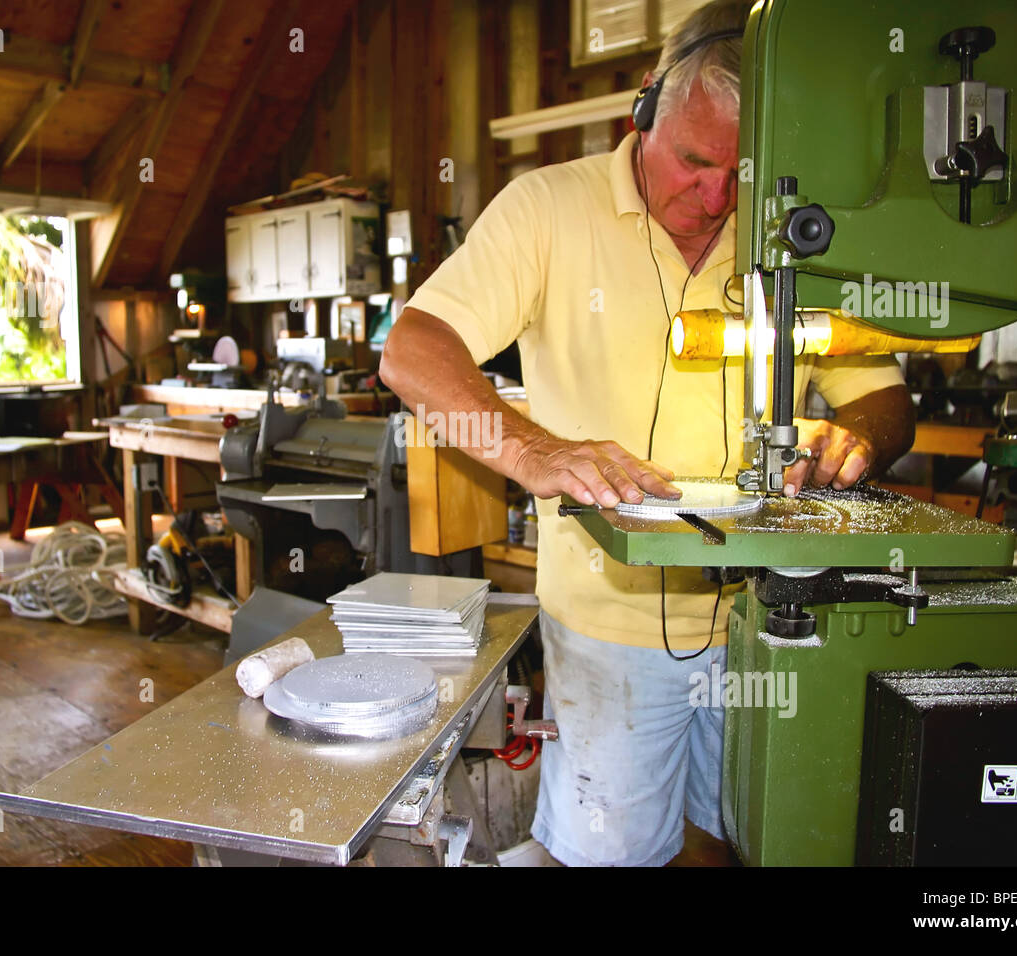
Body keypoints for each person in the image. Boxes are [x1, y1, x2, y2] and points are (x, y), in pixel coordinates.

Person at [379, 0, 914, 866]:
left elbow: (885, 398)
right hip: (607, 624)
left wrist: (849, 436)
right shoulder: (546, 209)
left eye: (737, 176)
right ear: (645, 107)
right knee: (611, 853)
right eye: (695, 162)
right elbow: (411, 351)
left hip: (764, 621)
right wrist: (532, 448)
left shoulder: (786, 230)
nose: (712, 199)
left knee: (742, 839)